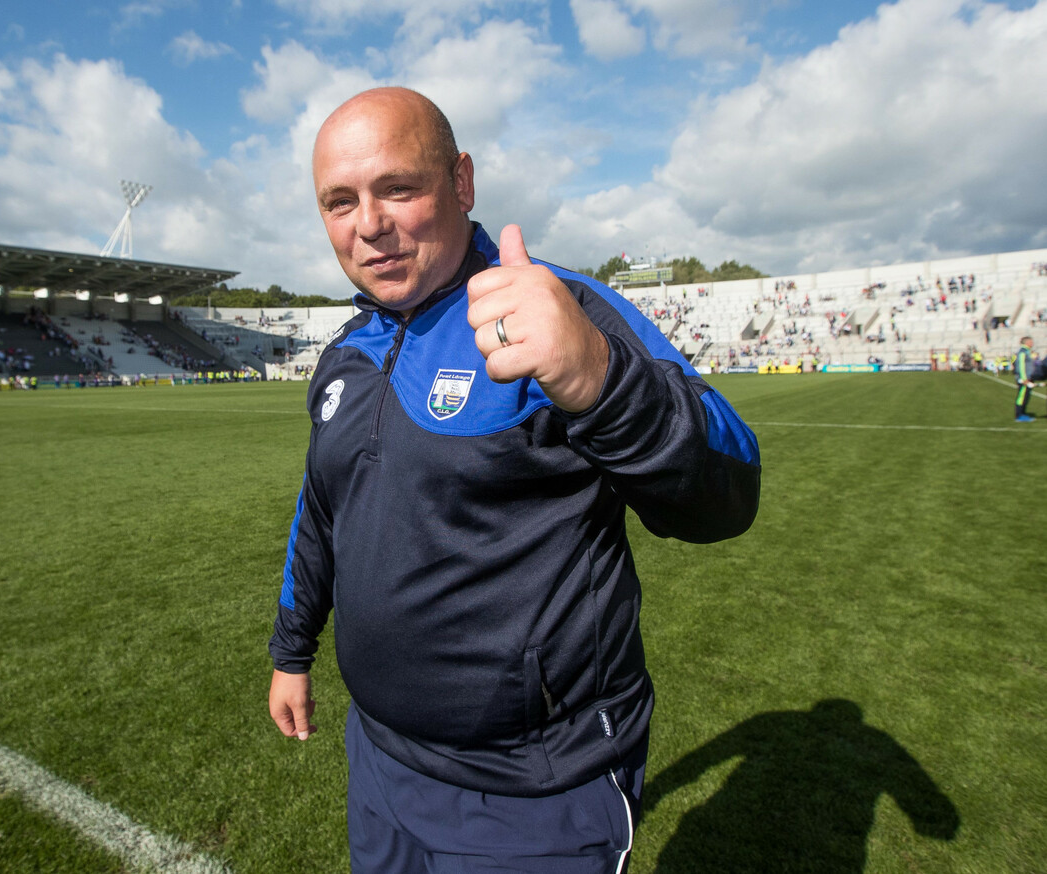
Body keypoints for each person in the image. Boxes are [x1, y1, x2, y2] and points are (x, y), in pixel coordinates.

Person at [268, 87, 761, 873]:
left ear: (462, 183)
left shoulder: (557, 307)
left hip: (538, 791)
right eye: (340, 202)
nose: (369, 225)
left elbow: (730, 490)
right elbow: (323, 512)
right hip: (381, 764)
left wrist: (599, 376)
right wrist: (292, 653)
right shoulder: (346, 353)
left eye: (399, 187)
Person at [1013, 336, 1035, 422]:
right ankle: (1019, 415)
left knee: (1026, 397)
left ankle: (1023, 413)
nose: (1032, 343)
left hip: (1028, 378)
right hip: (1024, 379)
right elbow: (1021, 365)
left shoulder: (1027, 351)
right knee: (1022, 397)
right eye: (1031, 341)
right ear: (1026, 342)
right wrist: (1024, 378)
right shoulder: (1022, 352)